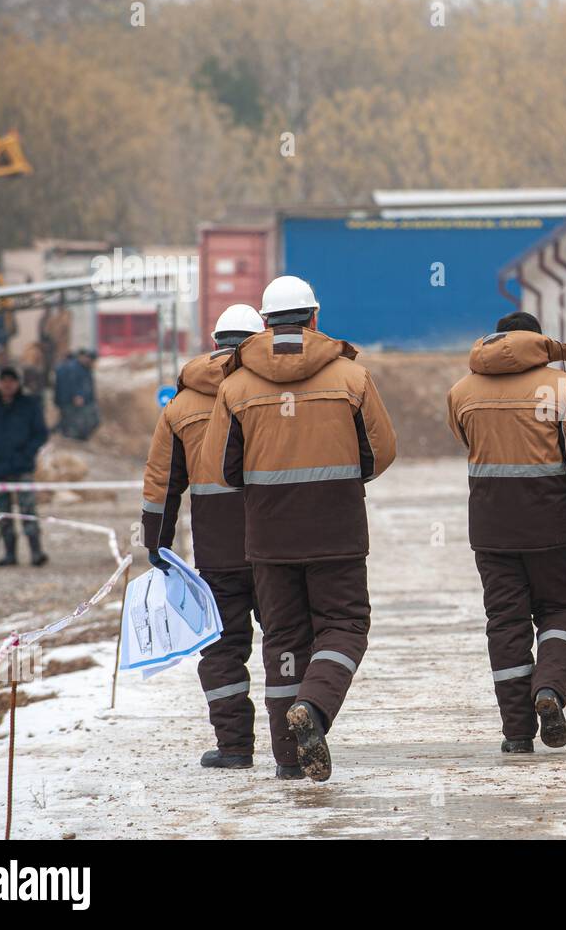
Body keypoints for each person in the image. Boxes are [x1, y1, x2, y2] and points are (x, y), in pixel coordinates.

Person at [207, 276, 396, 782]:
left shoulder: (235, 384)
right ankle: (313, 707)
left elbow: (223, 468)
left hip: (268, 537)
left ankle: (289, 759)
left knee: (284, 640)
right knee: (346, 625)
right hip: (337, 530)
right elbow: (380, 451)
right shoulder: (350, 377)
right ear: (314, 318)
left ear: (264, 324)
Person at [446, 311, 566, 754]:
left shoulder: (461, 392)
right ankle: (549, 690)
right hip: (552, 529)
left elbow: (466, 441)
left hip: (490, 530)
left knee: (505, 624)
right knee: (560, 610)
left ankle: (516, 734)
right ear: (539, 341)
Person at [140, 304, 266, 770]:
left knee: (222, 648)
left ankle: (234, 748)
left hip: (218, 551)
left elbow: (161, 484)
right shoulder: (270, 390)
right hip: (277, 544)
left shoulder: (181, 405)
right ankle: (291, 750)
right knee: (286, 640)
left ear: (214, 343)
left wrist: (157, 545)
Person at [0, 367, 49, 567]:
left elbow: (40, 433)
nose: (7, 385)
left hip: (21, 468)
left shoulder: (29, 404)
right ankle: (9, 554)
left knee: (27, 510)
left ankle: (35, 552)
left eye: (11, 381)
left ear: (17, 383)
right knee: (2, 512)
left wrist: (26, 455)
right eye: (4, 381)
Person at [54, 349, 99, 440]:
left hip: (80, 400)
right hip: (70, 401)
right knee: (72, 422)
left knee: (75, 421)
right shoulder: (73, 368)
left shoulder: (85, 368)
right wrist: (76, 395)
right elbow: (71, 384)